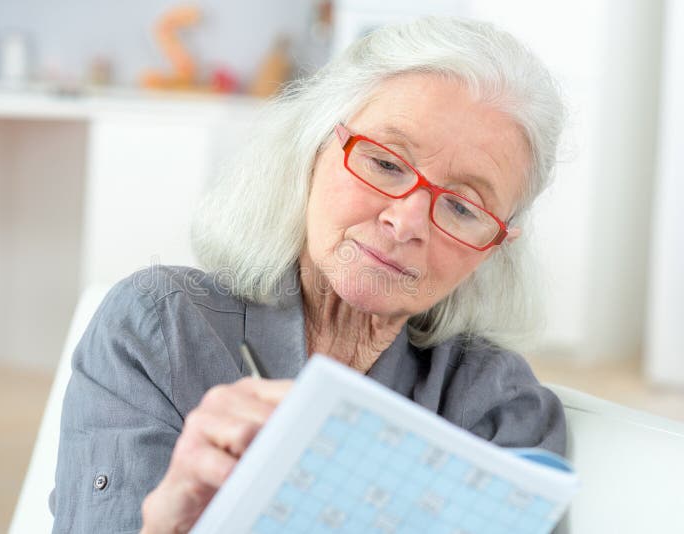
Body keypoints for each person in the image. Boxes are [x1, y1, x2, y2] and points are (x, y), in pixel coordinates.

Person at [50, 16, 567, 534]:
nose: (405, 221)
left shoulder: (496, 402)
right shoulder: (159, 329)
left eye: (461, 207)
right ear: (314, 147)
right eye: (385, 164)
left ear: (492, 248)